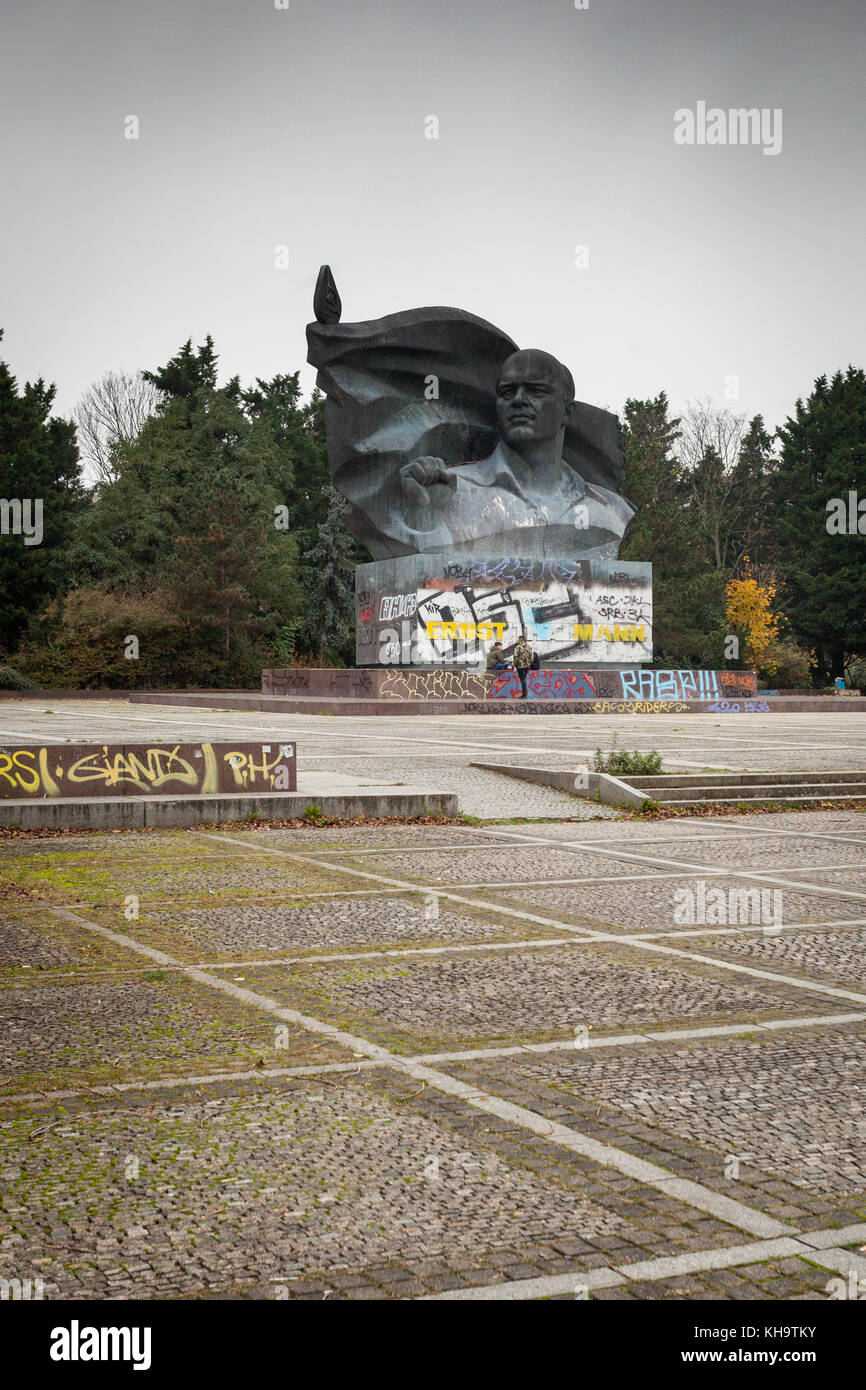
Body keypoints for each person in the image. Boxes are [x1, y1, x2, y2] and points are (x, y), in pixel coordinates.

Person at [398, 349, 633, 560]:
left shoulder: (613, 511)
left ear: (567, 412)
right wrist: (425, 517)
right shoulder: (449, 492)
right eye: (507, 392)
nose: (519, 400)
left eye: (537, 391)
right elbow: (427, 578)